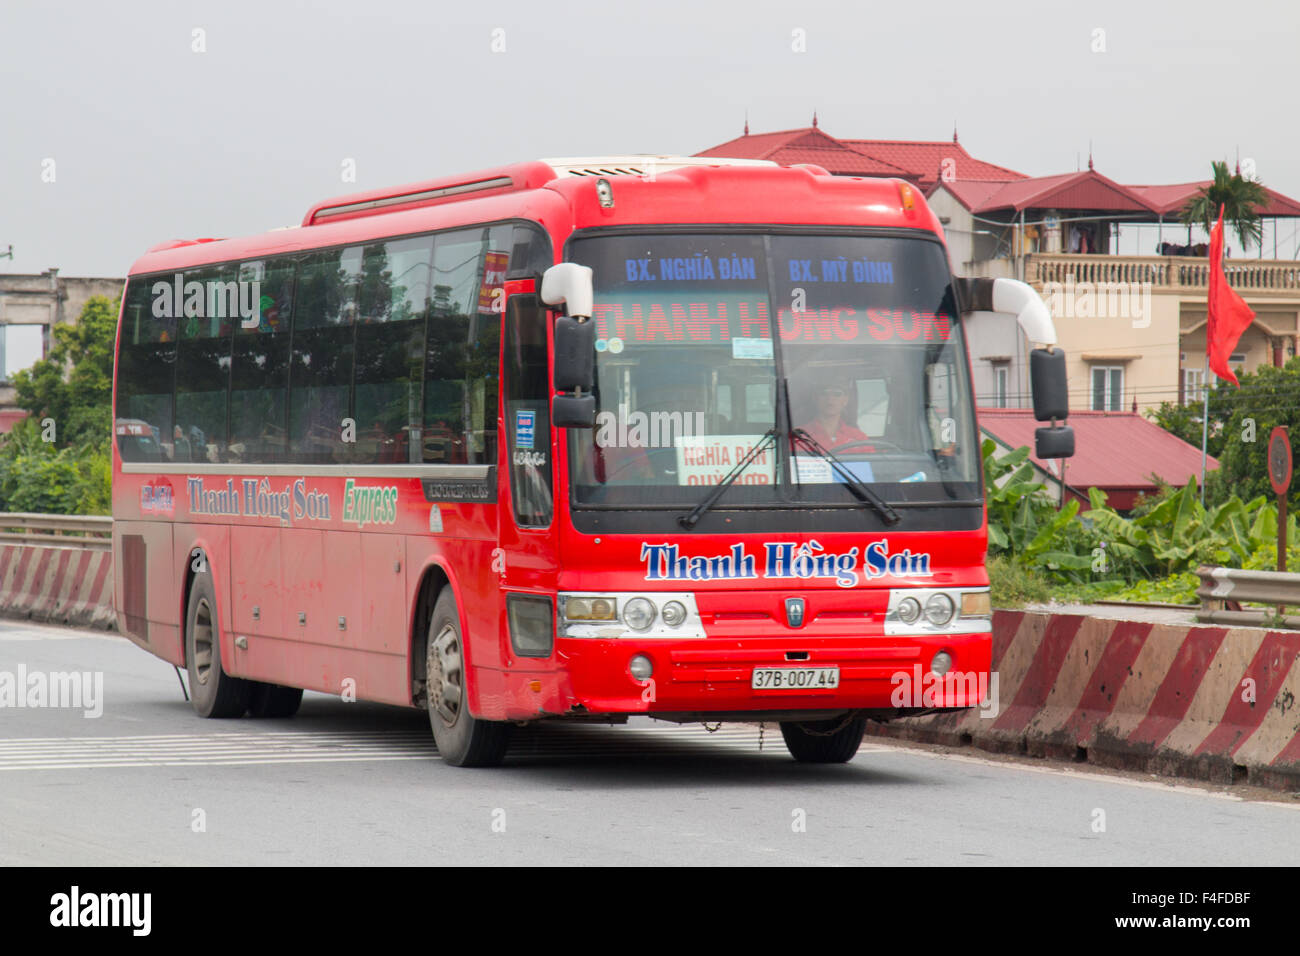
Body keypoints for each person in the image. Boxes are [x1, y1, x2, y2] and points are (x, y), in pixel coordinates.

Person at [797, 380, 874, 451]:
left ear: (845, 400)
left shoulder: (858, 437)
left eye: (837, 394)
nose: (830, 399)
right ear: (816, 398)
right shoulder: (800, 436)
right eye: (824, 393)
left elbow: (871, 464)